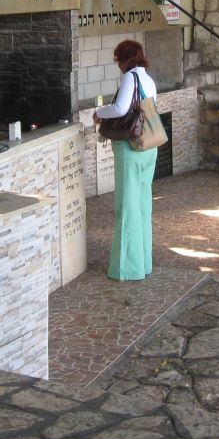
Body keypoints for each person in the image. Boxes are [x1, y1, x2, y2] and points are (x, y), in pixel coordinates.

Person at [94, 39, 158, 281]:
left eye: (117, 60)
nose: (118, 65)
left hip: (130, 148)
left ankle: (127, 269)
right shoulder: (148, 79)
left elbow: (121, 109)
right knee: (142, 206)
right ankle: (144, 263)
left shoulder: (130, 77)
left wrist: (99, 113)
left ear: (124, 59)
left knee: (127, 208)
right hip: (148, 146)